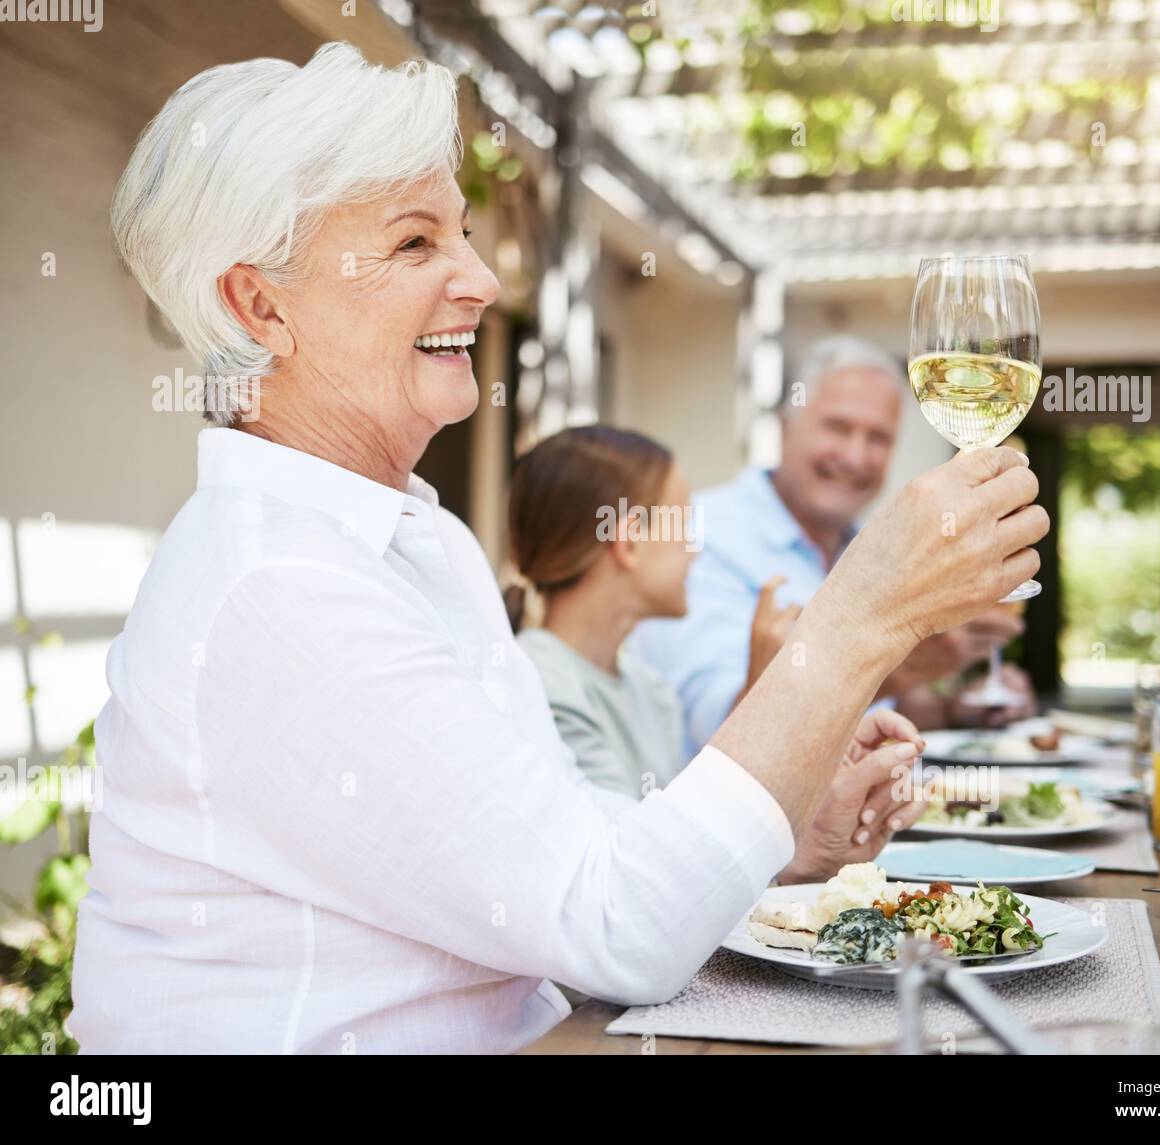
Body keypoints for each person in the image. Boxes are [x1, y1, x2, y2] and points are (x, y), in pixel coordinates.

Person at [69, 43, 1047, 1054]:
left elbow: (562, 849)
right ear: (261, 306)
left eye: (462, 232)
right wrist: (864, 614)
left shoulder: (418, 540)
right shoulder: (276, 584)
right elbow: (618, 925)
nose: (480, 278)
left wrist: (786, 838)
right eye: (414, 244)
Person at [506, 424, 928, 870]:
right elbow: (638, 869)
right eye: (682, 523)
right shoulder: (542, 686)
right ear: (627, 542)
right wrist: (771, 689)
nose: (695, 549)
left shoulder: (647, 688)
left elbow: (689, 836)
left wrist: (823, 755)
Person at [632, 336, 1037, 760]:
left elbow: (865, 718)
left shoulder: (862, 546)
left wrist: (954, 709)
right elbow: (725, 736)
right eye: (837, 428)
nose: (855, 457)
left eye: (878, 438)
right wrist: (898, 666)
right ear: (785, 428)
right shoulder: (701, 535)